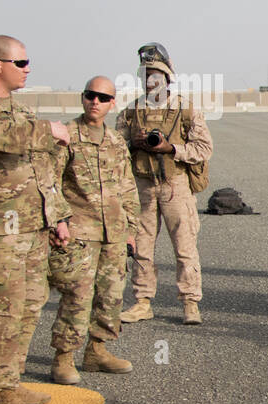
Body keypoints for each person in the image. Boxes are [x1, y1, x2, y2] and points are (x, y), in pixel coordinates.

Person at [0, 35, 71, 404]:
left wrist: (56, 216)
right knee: (2, 308)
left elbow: (42, 169)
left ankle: (7, 380)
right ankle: (2, 393)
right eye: (21, 62)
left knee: (29, 304)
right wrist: (48, 131)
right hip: (0, 227)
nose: (28, 69)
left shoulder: (20, 111)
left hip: (32, 225)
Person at [47, 77, 141, 384]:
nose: (95, 102)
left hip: (113, 233)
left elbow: (127, 187)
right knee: (77, 295)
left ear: (112, 103)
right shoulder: (66, 136)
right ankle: (63, 357)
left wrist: (131, 229)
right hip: (79, 232)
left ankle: (96, 351)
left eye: (103, 97)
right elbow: (51, 182)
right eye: (91, 95)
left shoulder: (115, 141)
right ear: (83, 98)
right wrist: (59, 221)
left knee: (111, 296)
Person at [118, 42, 213, 326]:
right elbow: (113, 148)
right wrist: (131, 144)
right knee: (142, 248)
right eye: (146, 74)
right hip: (142, 187)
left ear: (167, 77)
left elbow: (204, 149)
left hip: (176, 185)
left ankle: (190, 302)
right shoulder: (131, 111)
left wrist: (171, 149)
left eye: (156, 74)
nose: (150, 80)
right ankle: (142, 301)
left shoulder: (185, 109)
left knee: (185, 247)